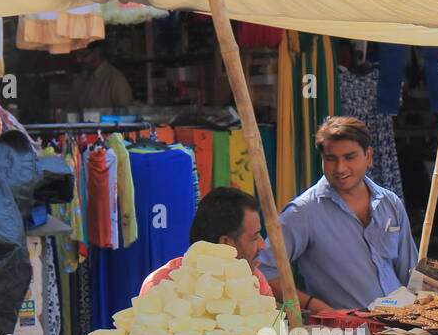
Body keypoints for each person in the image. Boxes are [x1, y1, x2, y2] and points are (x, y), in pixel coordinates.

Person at [256, 116, 417, 312]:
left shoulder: (390, 202)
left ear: (368, 156)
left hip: (399, 328)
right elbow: (262, 271)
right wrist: (316, 307)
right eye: (331, 159)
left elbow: (410, 272)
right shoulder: (303, 212)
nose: (340, 169)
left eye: (349, 157)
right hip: (343, 333)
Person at [140, 186, 274, 296]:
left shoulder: (256, 282)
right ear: (225, 243)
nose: (262, 245)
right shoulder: (161, 286)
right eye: (255, 237)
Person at [73, 41, 133, 110]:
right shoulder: (79, 79)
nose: (78, 60)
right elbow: (72, 111)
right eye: (76, 55)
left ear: (97, 52)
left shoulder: (116, 79)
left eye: (83, 55)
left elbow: (126, 115)